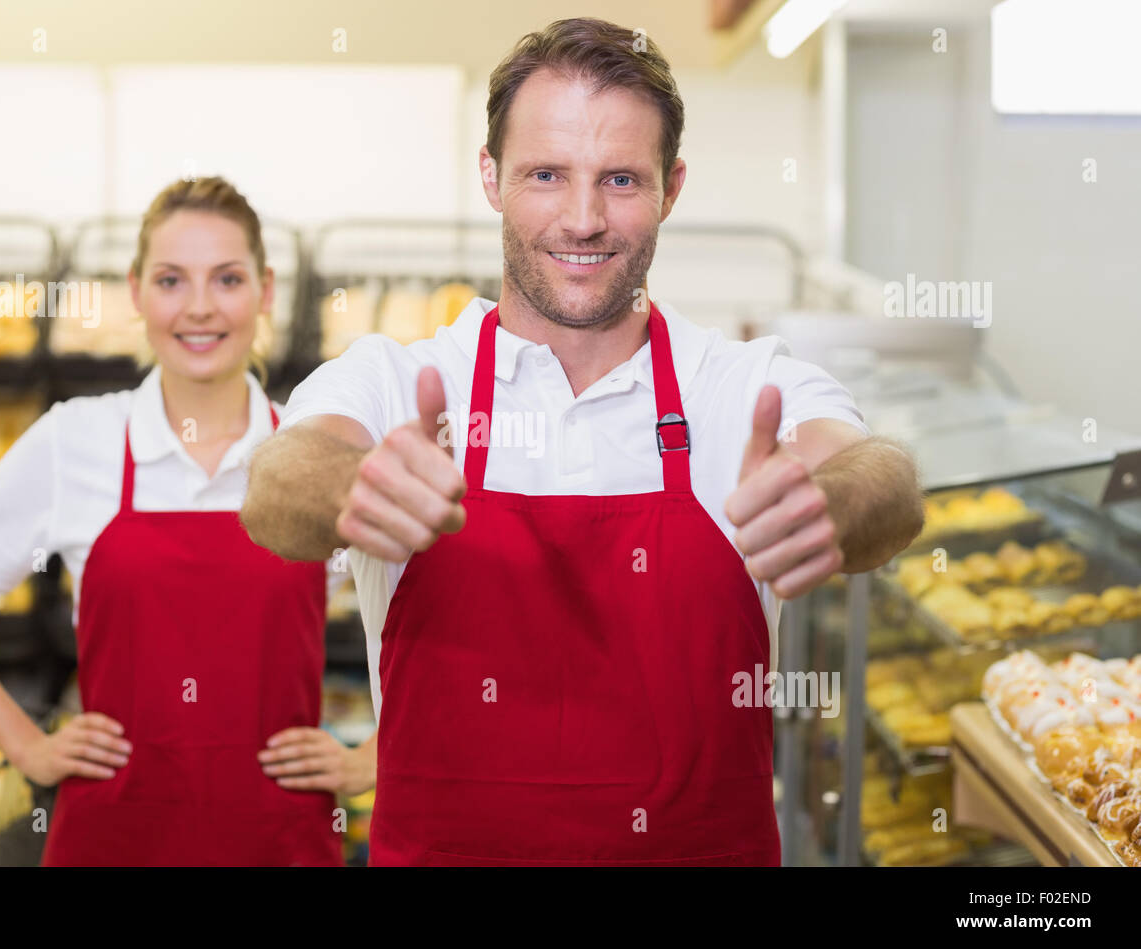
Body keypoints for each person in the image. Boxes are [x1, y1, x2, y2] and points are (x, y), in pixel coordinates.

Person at [241, 19, 923, 866]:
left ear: (672, 187)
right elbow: (277, 482)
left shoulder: (736, 387)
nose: (584, 218)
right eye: (546, 175)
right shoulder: (401, 380)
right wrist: (351, 489)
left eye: (622, 179)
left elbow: (880, 477)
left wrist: (831, 502)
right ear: (490, 176)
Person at [0, 177, 374, 866]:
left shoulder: (316, 451)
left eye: (229, 279)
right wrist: (27, 745)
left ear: (266, 292)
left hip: (280, 837)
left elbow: (440, 616)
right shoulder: (75, 442)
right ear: (136, 292)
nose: (201, 308)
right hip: (113, 835)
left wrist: (374, 760)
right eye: (172, 280)